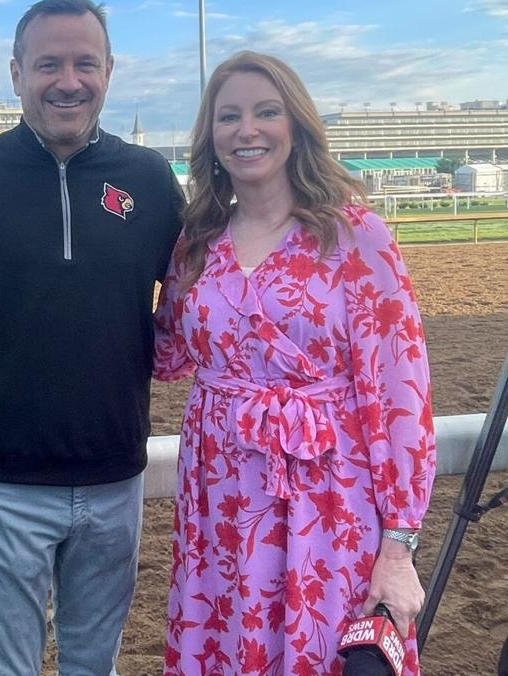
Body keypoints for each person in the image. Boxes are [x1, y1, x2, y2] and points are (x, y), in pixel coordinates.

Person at [0, 0, 184, 674]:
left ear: (109, 71)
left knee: (95, 664)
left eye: (84, 62)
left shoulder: (147, 178)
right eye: (48, 64)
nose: (68, 80)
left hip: (117, 474)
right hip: (4, 482)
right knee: (6, 666)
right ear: (16, 73)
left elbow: (194, 301)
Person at [152, 51, 435, 675]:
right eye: (229, 116)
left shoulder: (355, 236)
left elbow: (401, 394)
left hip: (327, 500)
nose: (246, 130)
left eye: (265, 112)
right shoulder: (197, 242)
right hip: (219, 498)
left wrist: (399, 544)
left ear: (297, 125)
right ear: (211, 136)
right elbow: (164, 351)